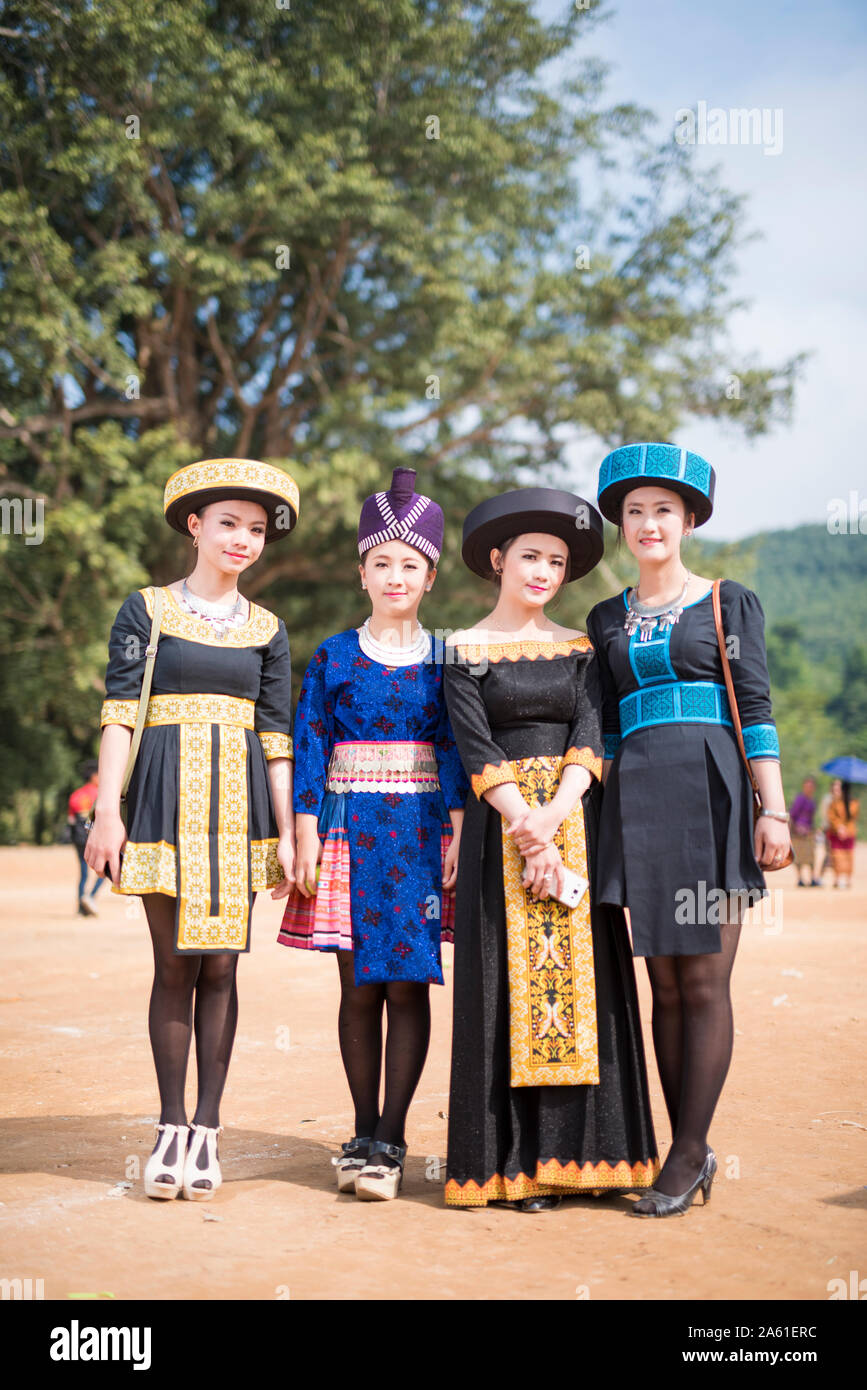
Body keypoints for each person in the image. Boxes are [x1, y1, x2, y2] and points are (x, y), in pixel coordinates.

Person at [586, 442, 791, 1217]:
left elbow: (756, 709)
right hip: (633, 798)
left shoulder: (724, 604)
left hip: (709, 794)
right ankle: (681, 1143)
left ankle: (686, 1152)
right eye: (633, 511)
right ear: (620, 525)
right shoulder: (605, 616)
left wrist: (772, 808)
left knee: (702, 980)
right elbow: (601, 729)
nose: (647, 524)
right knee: (660, 985)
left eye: (662, 510)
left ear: (689, 519)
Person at [85, 458, 298, 1201]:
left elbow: (277, 739)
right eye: (229, 524)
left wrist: (290, 835)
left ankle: (207, 1132)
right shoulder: (145, 609)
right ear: (194, 525)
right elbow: (120, 713)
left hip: (240, 814)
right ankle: (170, 1127)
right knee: (175, 963)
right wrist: (106, 810)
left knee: (223, 967)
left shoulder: (269, 629)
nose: (243, 539)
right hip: (162, 804)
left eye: (257, 530)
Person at [442, 487, 659, 1213]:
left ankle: (586, 1159)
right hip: (496, 833)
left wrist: (555, 817)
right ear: (497, 560)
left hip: (575, 822)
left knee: (583, 992)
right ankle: (511, 1169)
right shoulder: (462, 651)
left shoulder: (580, 649)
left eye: (557, 561)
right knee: (503, 989)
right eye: (529, 556)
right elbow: (473, 746)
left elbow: (590, 737)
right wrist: (522, 826)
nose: (542, 570)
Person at [278, 468, 468, 1201]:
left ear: (428, 576)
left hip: (419, 838)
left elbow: (454, 747)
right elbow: (311, 742)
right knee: (358, 987)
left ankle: (391, 1140)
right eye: (381, 564)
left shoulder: (447, 657)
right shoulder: (332, 655)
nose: (395, 576)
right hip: (347, 832)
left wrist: (456, 832)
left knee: (407, 985)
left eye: (409, 566)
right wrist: (302, 832)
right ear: (361, 573)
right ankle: (359, 1131)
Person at [68, 760, 106, 916]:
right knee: (105, 871)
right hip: (94, 838)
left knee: (83, 874)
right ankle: (90, 897)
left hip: (78, 839)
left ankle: (80, 909)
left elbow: (70, 820)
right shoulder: (99, 794)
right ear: (93, 776)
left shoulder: (76, 795)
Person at [827, 779, 859, 888]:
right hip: (837, 833)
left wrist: (845, 829)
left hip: (849, 833)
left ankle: (848, 879)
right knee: (837, 856)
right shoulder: (834, 803)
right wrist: (839, 827)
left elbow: (853, 817)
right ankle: (837, 878)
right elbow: (831, 816)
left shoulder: (854, 803)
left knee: (849, 856)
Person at [789, 776, 817, 886]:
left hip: (808, 831)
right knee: (799, 856)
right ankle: (800, 878)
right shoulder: (800, 799)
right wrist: (796, 827)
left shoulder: (812, 801)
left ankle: (812, 878)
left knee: (811, 856)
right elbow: (793, 814)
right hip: (798, 832)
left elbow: (811, 817)